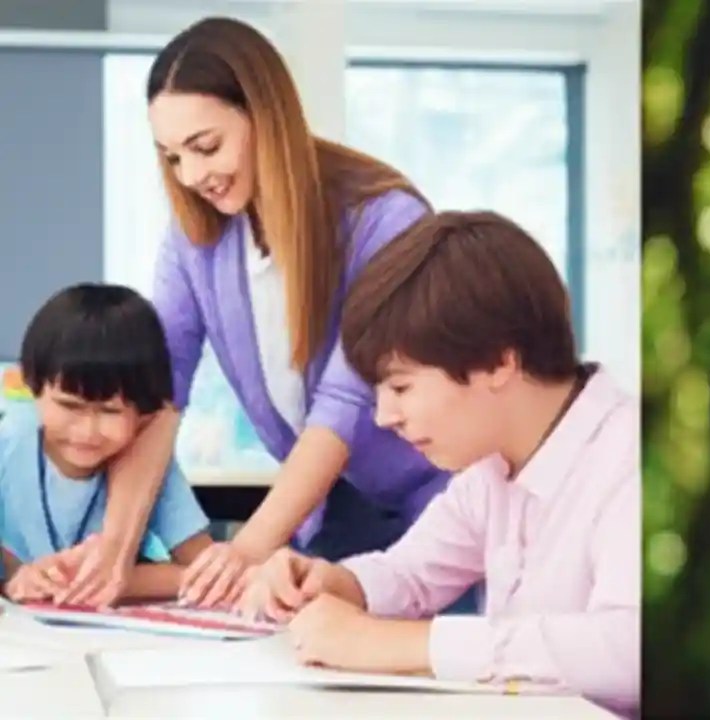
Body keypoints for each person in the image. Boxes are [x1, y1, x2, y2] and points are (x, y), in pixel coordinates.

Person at [60, 16, 452, 609]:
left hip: (441, 507)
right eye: (171, 158)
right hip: (333, 513)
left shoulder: (384, 222)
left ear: (264, 114)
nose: (192, 177)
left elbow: (345, 404)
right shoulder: (195, 241)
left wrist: (247, 549)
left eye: (206, 146)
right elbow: (158, 395)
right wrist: (116, 546)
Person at [238, 211, 640, 715]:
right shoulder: (490, 470)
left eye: (401, 386)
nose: (384, 417)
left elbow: (630, 647)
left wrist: (403, 645)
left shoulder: (628, 456)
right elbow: (411, 575)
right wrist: (335, 583)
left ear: (498, 363)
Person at [1, 285, 212, 603]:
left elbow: (204, 568)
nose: (87, 431)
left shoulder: (148, 466)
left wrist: (118, 579)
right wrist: (16, 581)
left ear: (146, 411)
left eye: (110, 411)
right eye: (69, 405)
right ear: (31, 383)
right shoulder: (9, 443)